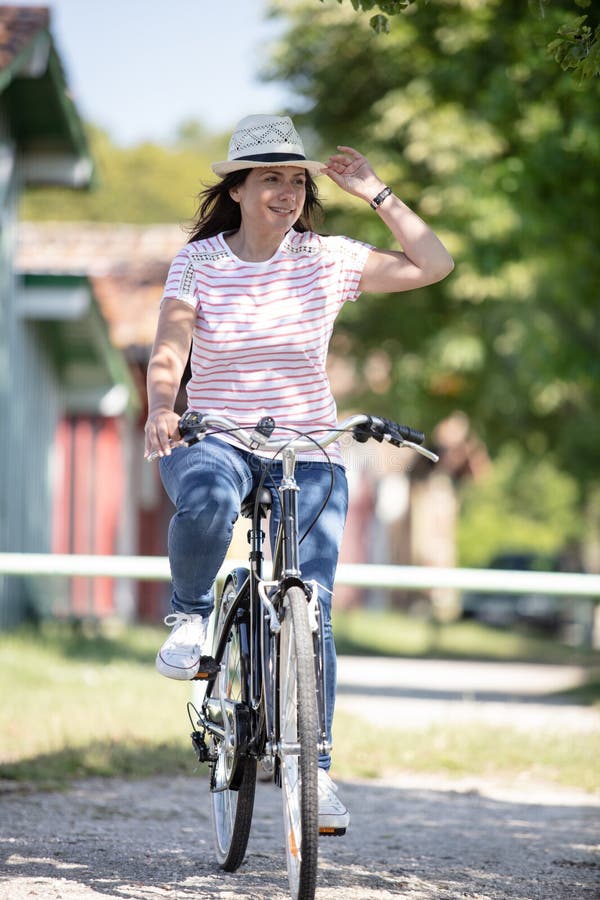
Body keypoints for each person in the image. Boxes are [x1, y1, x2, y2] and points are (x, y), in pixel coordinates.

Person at [144, 114, 454, 832]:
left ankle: (315, 774)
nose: (287, 191)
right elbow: (169, 347)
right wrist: (164, 404)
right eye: (271, 178)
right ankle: (190, 617)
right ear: (240, 187)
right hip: (216, 434)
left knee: (310, 606)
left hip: (308, 448)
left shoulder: (326, 258)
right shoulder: (198, 262)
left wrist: (377, 192)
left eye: (296, 179)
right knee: (209, 496)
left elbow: (433, 264)